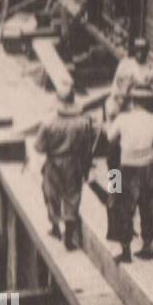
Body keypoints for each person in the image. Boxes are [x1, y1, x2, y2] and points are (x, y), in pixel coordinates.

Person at [33, 85, 99, 250]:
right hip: (73, 162)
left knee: (51, 194)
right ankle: (69, 237)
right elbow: (87, 148)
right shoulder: (83, 123)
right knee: (72, 196)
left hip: (54, 162)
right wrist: (85, 168)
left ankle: (55, 227)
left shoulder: (48, 124)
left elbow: (38, 147)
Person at [105, 85, 153, 261]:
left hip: (122, 165)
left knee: (120, 203)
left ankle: (123, 241)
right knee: (115, 200)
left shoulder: (123, 117)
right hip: (116, 166)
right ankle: (118, 234)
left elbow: (110, 138)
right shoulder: (115, 110)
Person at [106, 37, 153, 119]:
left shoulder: (150, 66)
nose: (141, 53)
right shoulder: (126, 64)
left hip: (140, 104)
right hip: (122, 101)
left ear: (147, 51)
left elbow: (152, 83)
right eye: (138, 50)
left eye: (144, 50)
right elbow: (121, 88)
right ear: (134, 50)